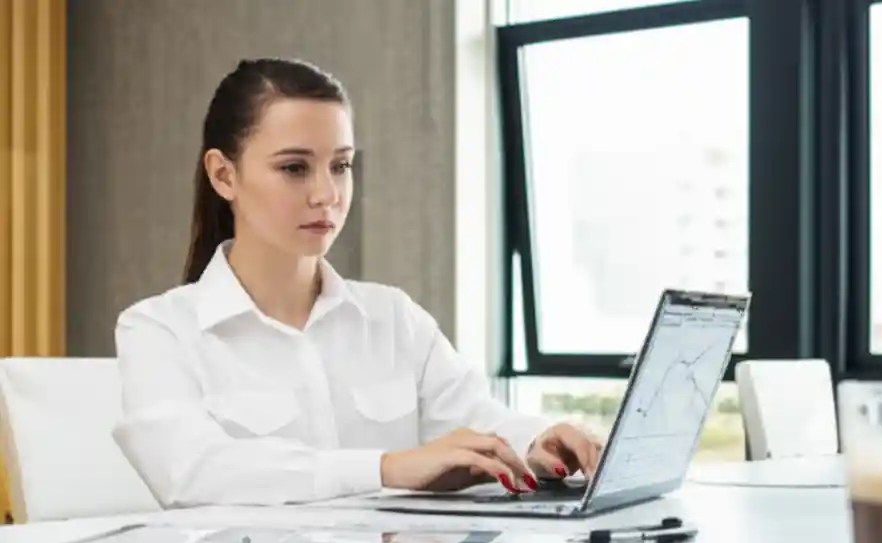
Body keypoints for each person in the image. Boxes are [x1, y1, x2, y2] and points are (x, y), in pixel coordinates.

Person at [113, 58, 600, 508]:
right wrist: (388, 468)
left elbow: (478, 419)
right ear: (224, 175)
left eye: (341, 166)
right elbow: (193, 473)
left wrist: (538, 442)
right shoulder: (158, 330)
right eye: (294, 168)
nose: (326, 194)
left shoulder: (393, 317)